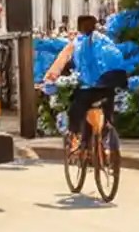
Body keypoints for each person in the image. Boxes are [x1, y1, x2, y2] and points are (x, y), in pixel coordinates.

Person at [42, 14, 128, 148]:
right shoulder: (105, 40)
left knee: (77, 111)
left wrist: (51, 78)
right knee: (107, 113)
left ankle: (77, 136)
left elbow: (61, 63)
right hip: (107, 87)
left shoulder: (77, 43)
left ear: (79, 27)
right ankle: (106, 132)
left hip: (87, 90)